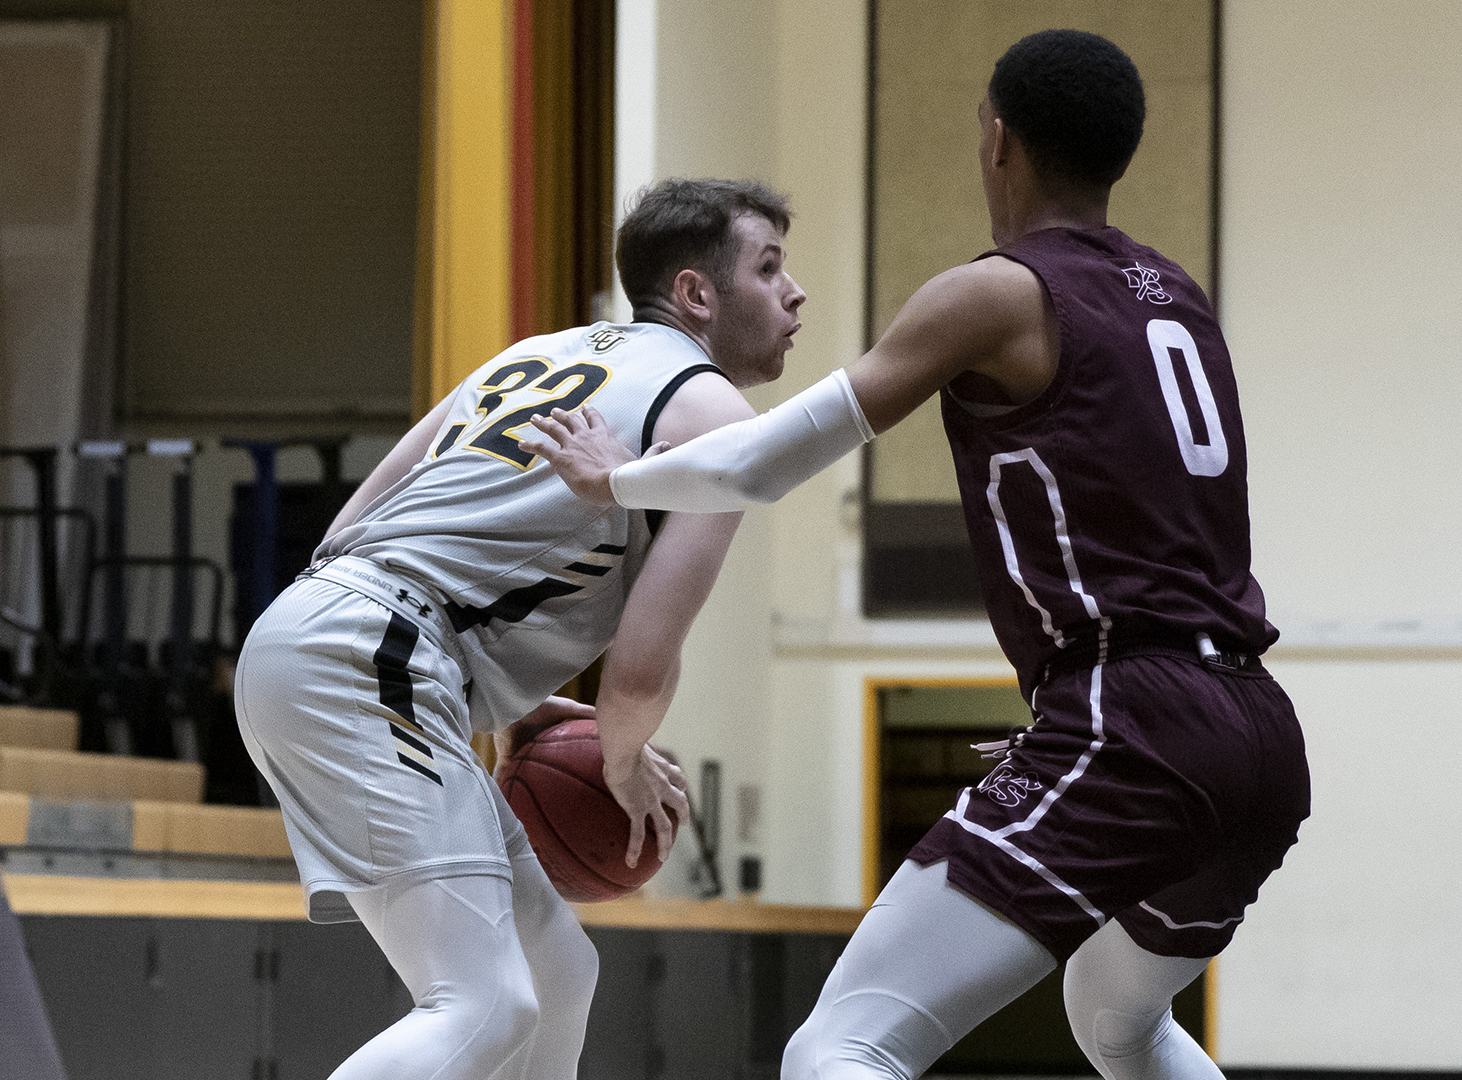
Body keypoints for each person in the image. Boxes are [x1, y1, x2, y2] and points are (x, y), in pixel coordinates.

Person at [521, 29, 1310, 1080]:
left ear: (999, 142)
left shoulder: (995, 292)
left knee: (840, 1048)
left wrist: (613, 478)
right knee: (1117, 1020)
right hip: (1255, 732)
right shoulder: (1177, 295)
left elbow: (761, 463)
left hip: (1138, 721)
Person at [235, 177, 805, 1079]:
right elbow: (638, 677)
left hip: (325, 634)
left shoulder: (528, 356)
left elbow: (349, 532)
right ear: (698, 293)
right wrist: (620, 761)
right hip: (374, 657)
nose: (794, 293)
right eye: (770, 268)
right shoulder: (711, 414)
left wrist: (499, 704)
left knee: (557, 971)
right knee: (483, 1004)